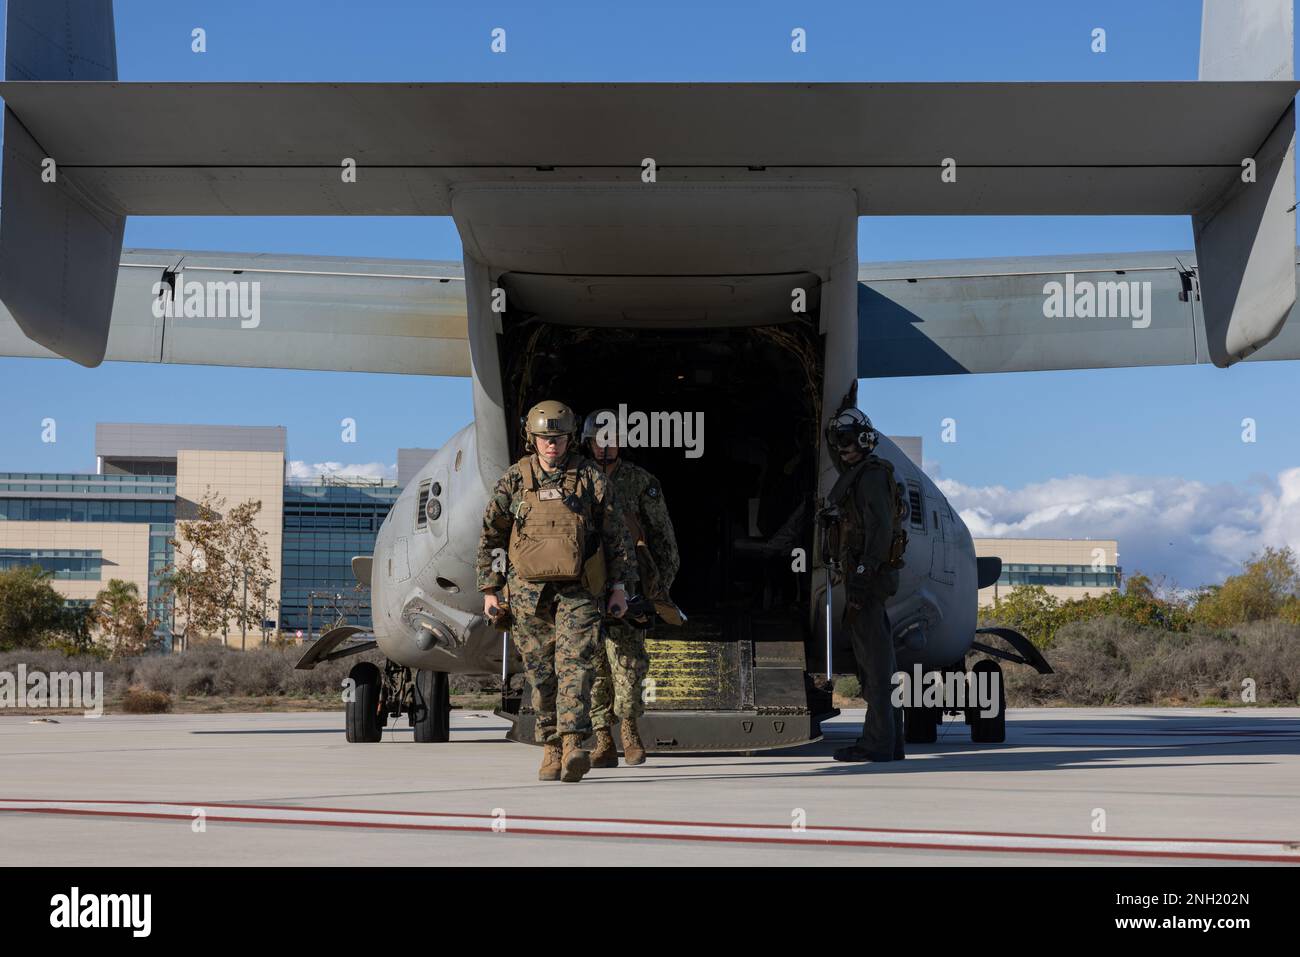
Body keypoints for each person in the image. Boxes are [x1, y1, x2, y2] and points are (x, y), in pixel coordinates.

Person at [475, 400, 635, 782]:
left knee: (576, 670)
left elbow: (617, 538)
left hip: (579, 592)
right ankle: (549, 744)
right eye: (545, 438)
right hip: (529, 595)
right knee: (541, 674)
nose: (552, 445)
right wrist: (490, 588)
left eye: (559, 438)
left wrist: (619, 588)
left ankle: (572, 745)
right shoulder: (515, 479)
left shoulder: (591, 478)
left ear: (570, 439)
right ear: (532, 439)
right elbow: (490, 535)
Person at [581, 409, 681, 767]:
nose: (605, 446)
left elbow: (662, 536)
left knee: (629, 664)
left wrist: (660, 586)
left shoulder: (640, 482)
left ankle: (629, 729)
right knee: (593, 667)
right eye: (599, 439)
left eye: (612, 439)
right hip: (586, 586)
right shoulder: (575, 478)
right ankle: (602, 739)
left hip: (629, 584)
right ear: (588, 441)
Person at [822, 408, 906, 762]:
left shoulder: (870, 477)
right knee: (877, 661)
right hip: (868, 578)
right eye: (838, 442)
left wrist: (862, 572)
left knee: (875, 665)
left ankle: (878, 743)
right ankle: (889, 741)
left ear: (865, 441)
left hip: (868, 580)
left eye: (849, 441)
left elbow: (881, 529)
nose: (843, 449)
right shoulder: (860, 474)